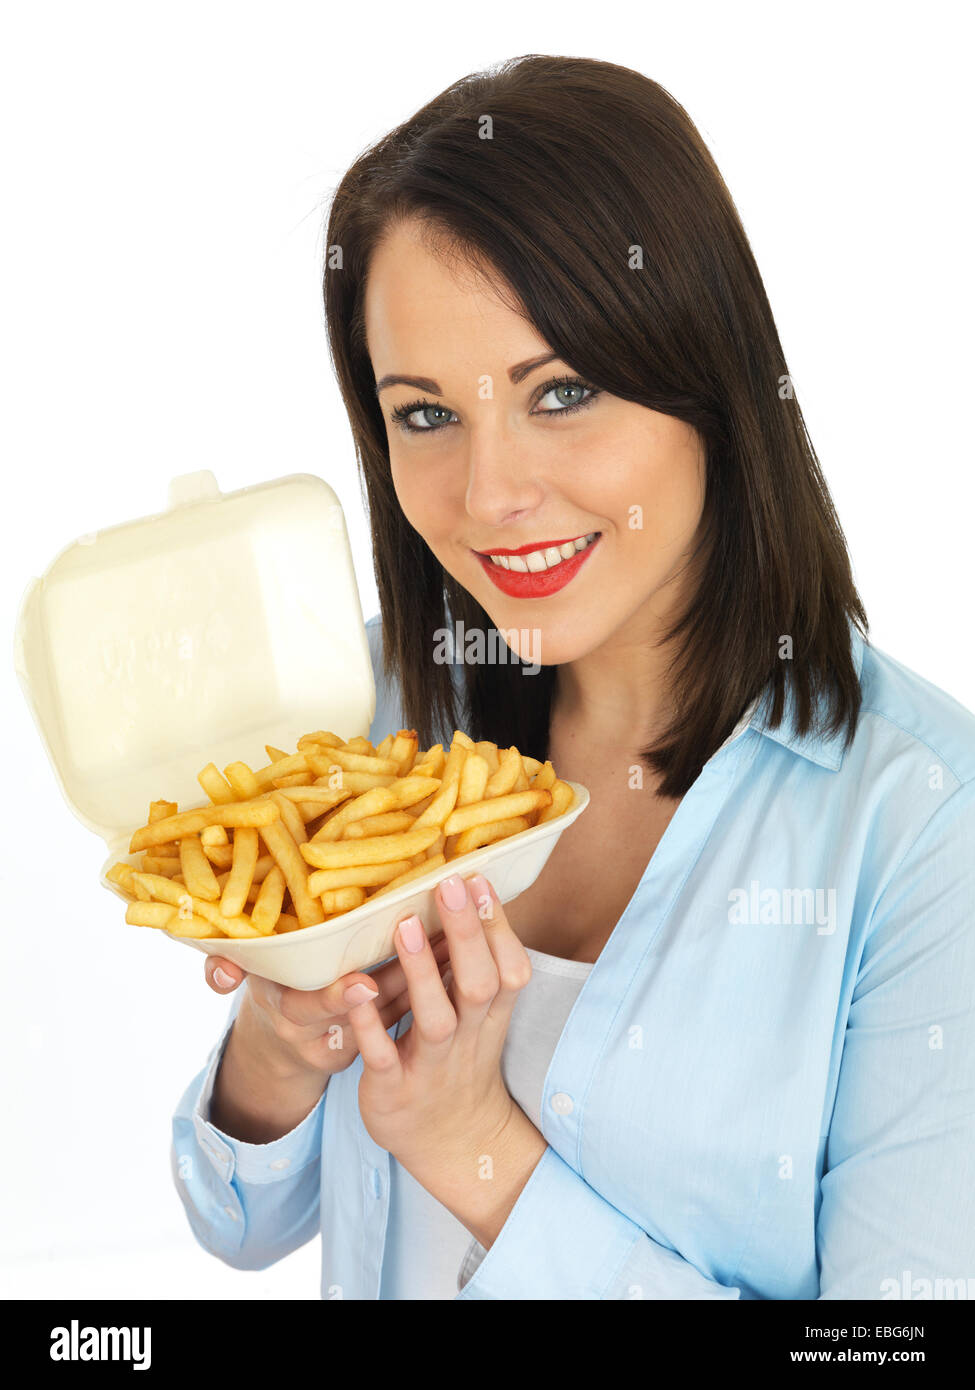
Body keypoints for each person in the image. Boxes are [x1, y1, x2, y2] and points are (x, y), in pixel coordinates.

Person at [171, 55, 975, 1300]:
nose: (490, 496)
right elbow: (238, 1217)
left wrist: (470, 1143)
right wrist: (279, 1050)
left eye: (565, 392)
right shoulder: (376, 714)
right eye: (426, 414)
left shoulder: (927, 829)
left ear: (707, 375)